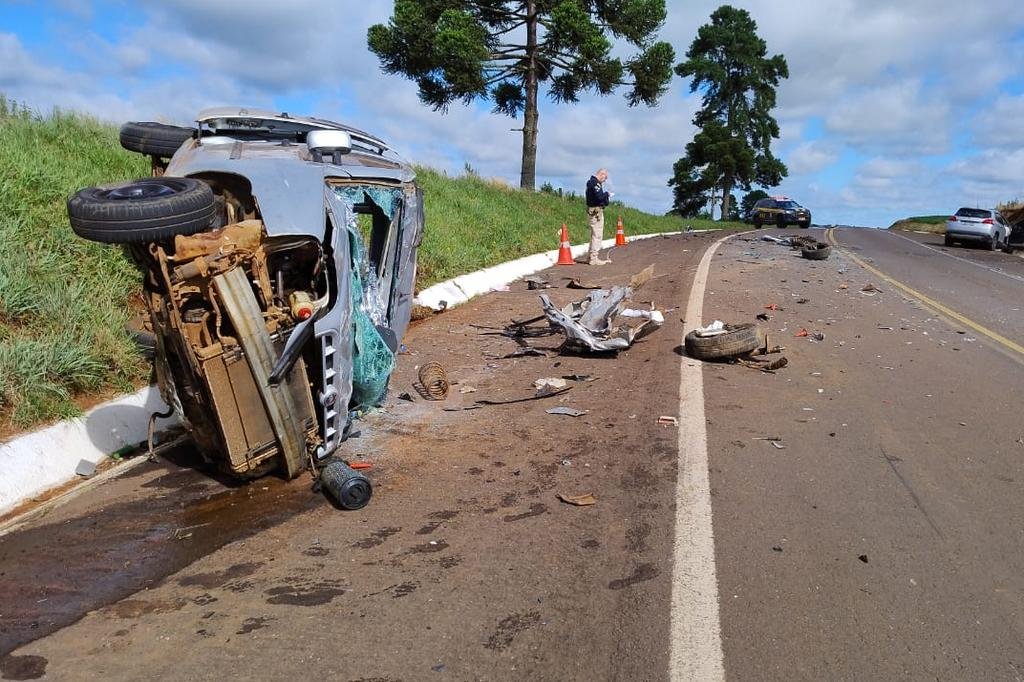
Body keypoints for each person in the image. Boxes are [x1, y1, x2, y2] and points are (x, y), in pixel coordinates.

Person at [585, 168, 613, 265]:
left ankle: (590, 257)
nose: (605, 180)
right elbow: (599, 197)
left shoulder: (592, 183)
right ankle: (594, 258)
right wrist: (607, 194)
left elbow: (600, 199)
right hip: (596, 213)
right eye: (605, 178)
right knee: (597, 235)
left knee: (594, 234)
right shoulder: (595, 183)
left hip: (593, 211)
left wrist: (605, 199)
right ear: (601, 174)